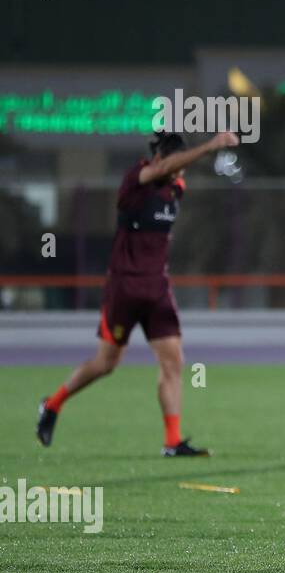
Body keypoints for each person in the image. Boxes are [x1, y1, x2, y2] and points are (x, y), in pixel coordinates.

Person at [36, 129, 239, 456]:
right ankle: (52, 404)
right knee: (105, 363)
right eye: (173, 165)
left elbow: (173, 172)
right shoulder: (136, 179)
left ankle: (172, 442)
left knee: (173, 362)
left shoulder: (176, 188)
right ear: (159, 158)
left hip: (157, 288)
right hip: (124, 287)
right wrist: (211, 145)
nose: (178, 172)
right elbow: (158, 170)